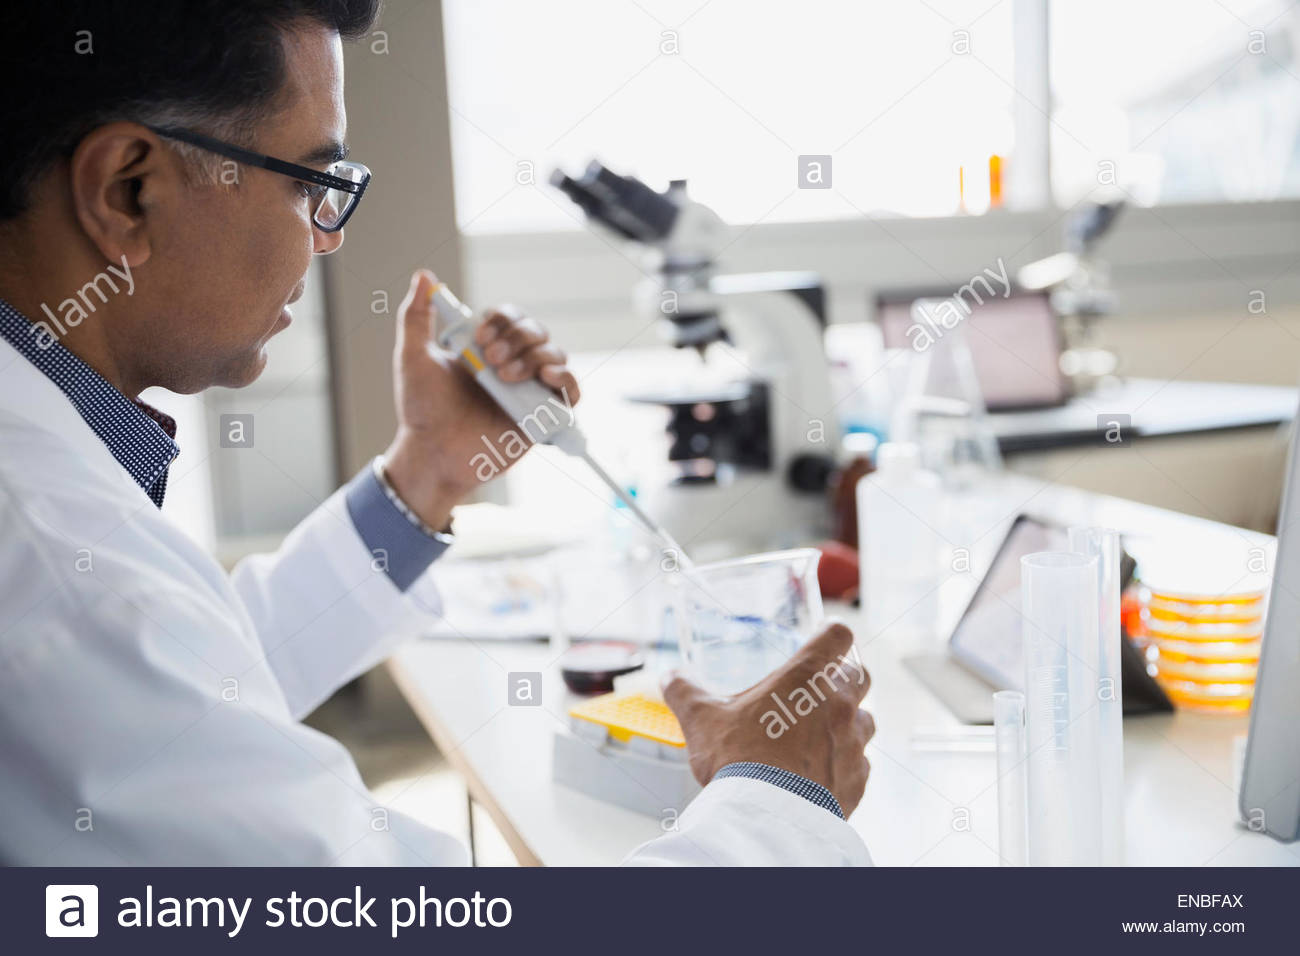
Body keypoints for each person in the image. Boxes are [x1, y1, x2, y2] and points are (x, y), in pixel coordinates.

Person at [0, 1, 874, 866]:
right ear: (128, 190)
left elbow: (194, 674)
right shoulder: (58, 561)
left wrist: (424, 476)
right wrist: (776, 797)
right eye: (309, 183)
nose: (326, 239)